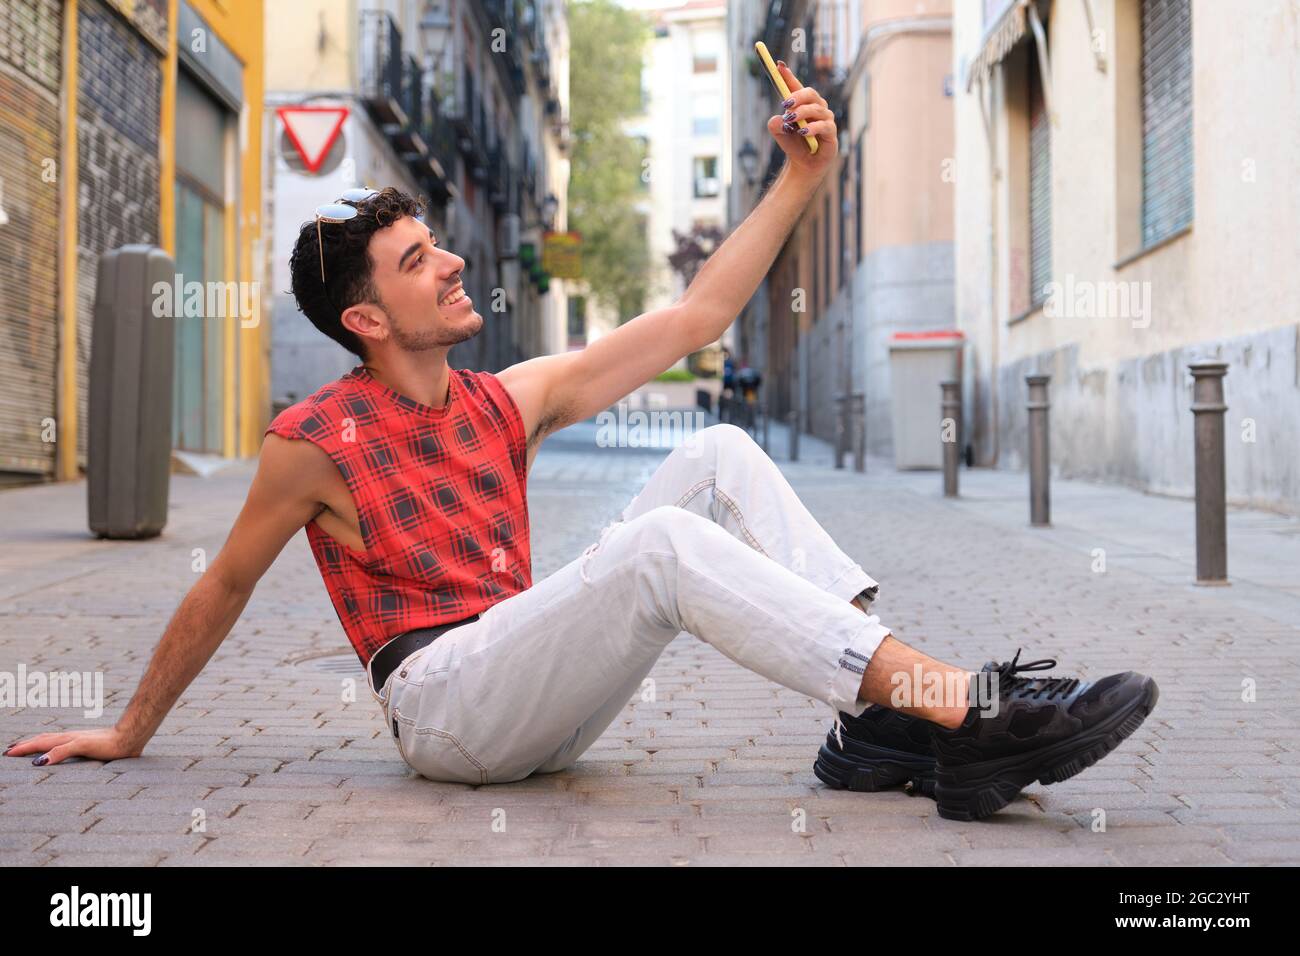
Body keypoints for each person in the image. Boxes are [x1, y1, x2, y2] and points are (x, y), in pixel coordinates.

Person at [3, 66, 1156, 821]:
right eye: (418, 263)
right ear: (364, 319)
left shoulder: (508, 397)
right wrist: (128, 726)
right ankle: (966, 706)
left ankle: (882, 718)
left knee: (712, 452)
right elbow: (223, 582)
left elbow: (696, 317)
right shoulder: (314, 441)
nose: (452, 263)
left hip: (522, 662)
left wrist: (805, 180)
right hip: (449, 710)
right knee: (658, 541)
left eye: (438, 247)